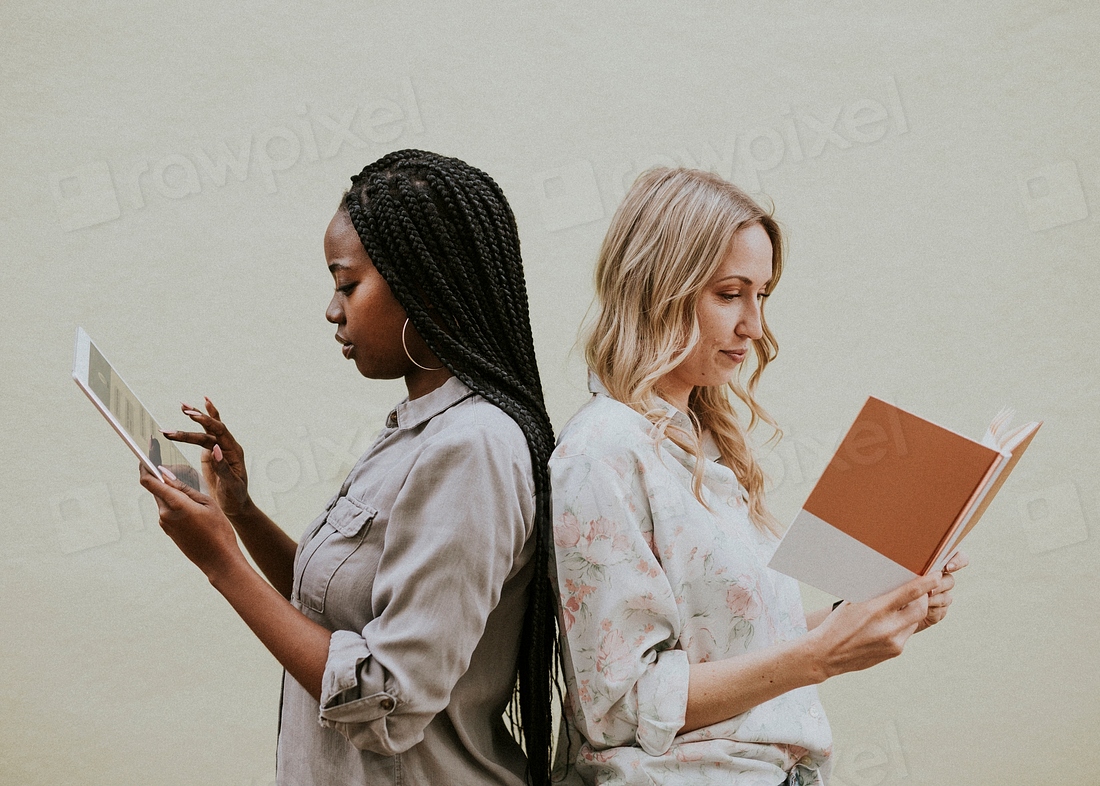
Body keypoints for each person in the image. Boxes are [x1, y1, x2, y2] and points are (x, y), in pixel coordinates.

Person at [139, 150, 558, 786]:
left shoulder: (474, 450)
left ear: (423, 284)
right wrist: (241, 514)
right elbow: (335, 612)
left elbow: (387, 704)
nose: (333, 311)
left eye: (347, 284)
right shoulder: (417, 429)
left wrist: (220, 562)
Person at [549, 167, 967, 786]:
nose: (754, 325)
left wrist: (873, 611)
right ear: (659, 288)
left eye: (762, 295)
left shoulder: (707, 445)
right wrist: (819, 657)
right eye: (729, 294)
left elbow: (742, 649)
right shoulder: (601, 453)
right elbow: (618, 707)